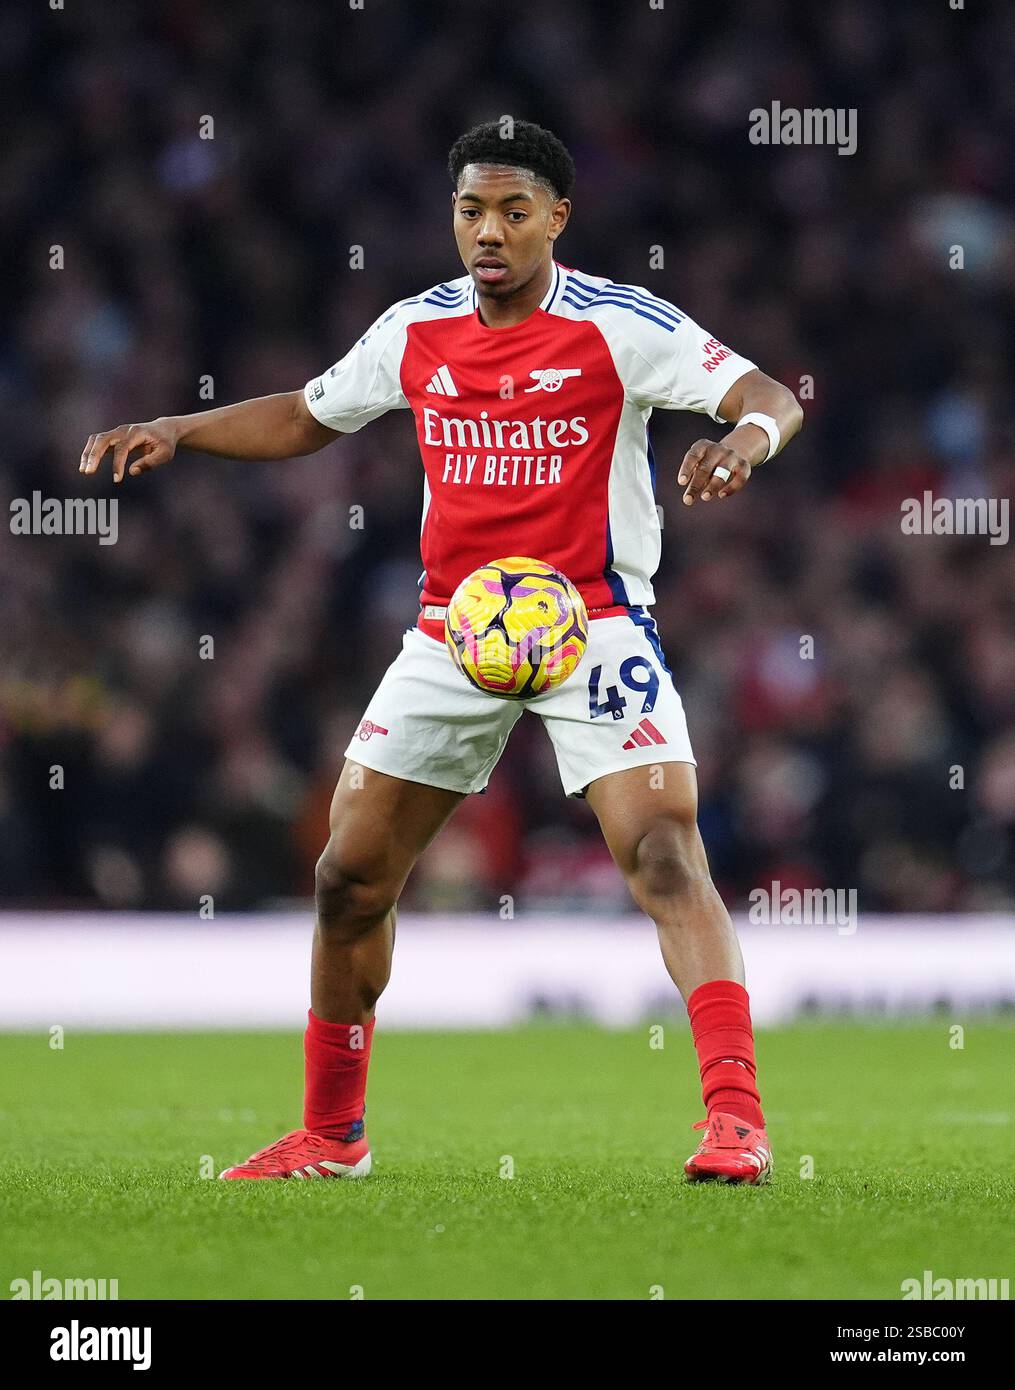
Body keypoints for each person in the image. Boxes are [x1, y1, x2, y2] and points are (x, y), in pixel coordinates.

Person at [80, 119, 803, 1184]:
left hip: (591, 620)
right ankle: (332, 1136)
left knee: (661, 848)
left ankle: (735, 1120)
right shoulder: (414, 330)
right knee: (346, 875)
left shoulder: (618, 324)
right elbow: (306, 415)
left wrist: (742, 441)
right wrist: (181, 430)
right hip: (453, 629)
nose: (490, 231)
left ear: (558, 217)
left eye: (515, 211)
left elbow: (766, 394)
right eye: (471, 210)